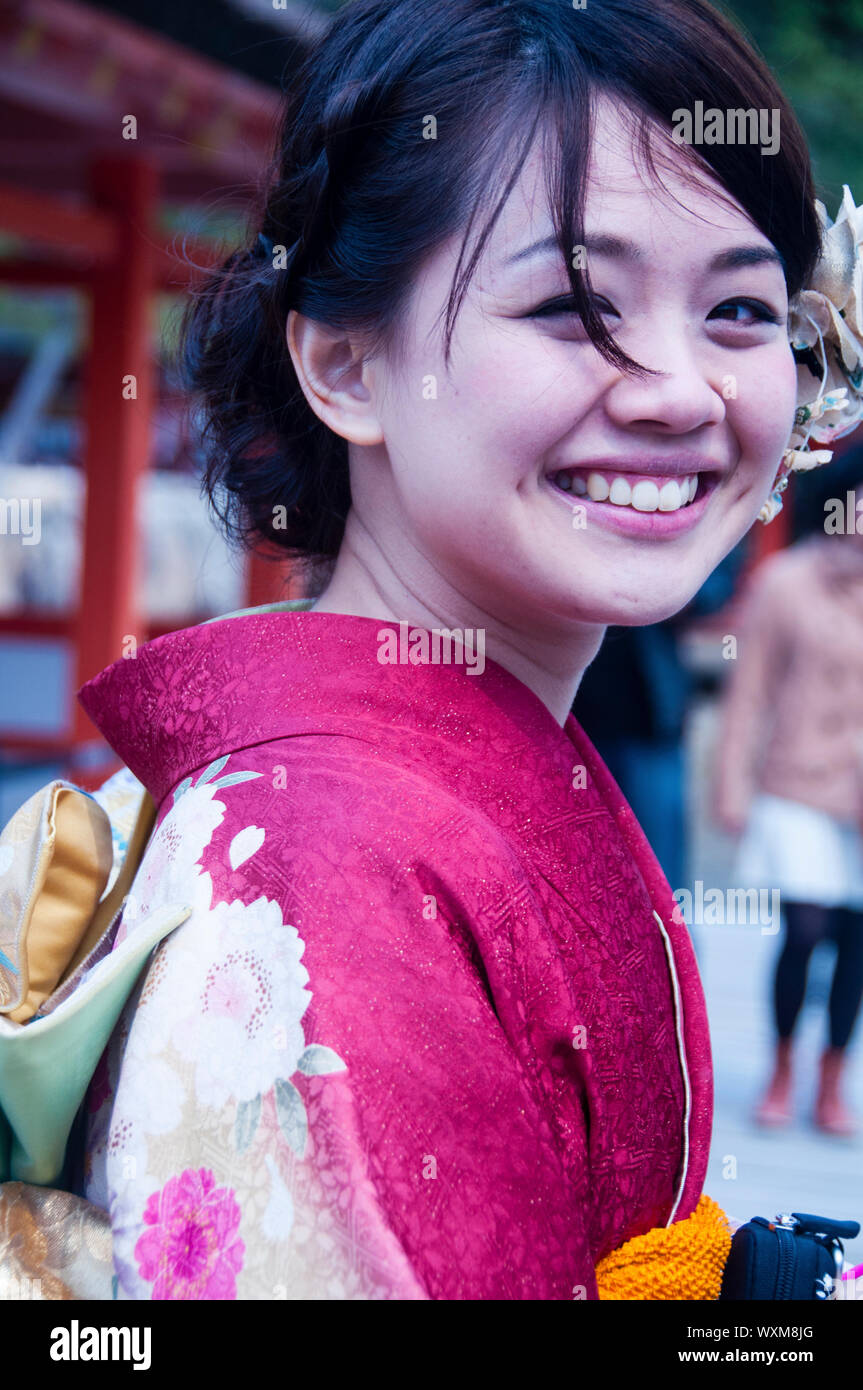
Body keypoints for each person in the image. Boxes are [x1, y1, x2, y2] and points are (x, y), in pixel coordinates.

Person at [4, 0, 861, 1300]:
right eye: (575, 304)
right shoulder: (325, 882)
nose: (681, 388)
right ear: (346, 368)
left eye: (738, 311)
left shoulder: (386, 785)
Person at [715, 448, 863, 1138]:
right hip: (795, 786)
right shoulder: (785, 581)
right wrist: (731, 784)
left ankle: (831, 1080)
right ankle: (779, 1069)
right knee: (804, 926)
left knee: (856, 941)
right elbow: (747, 694)